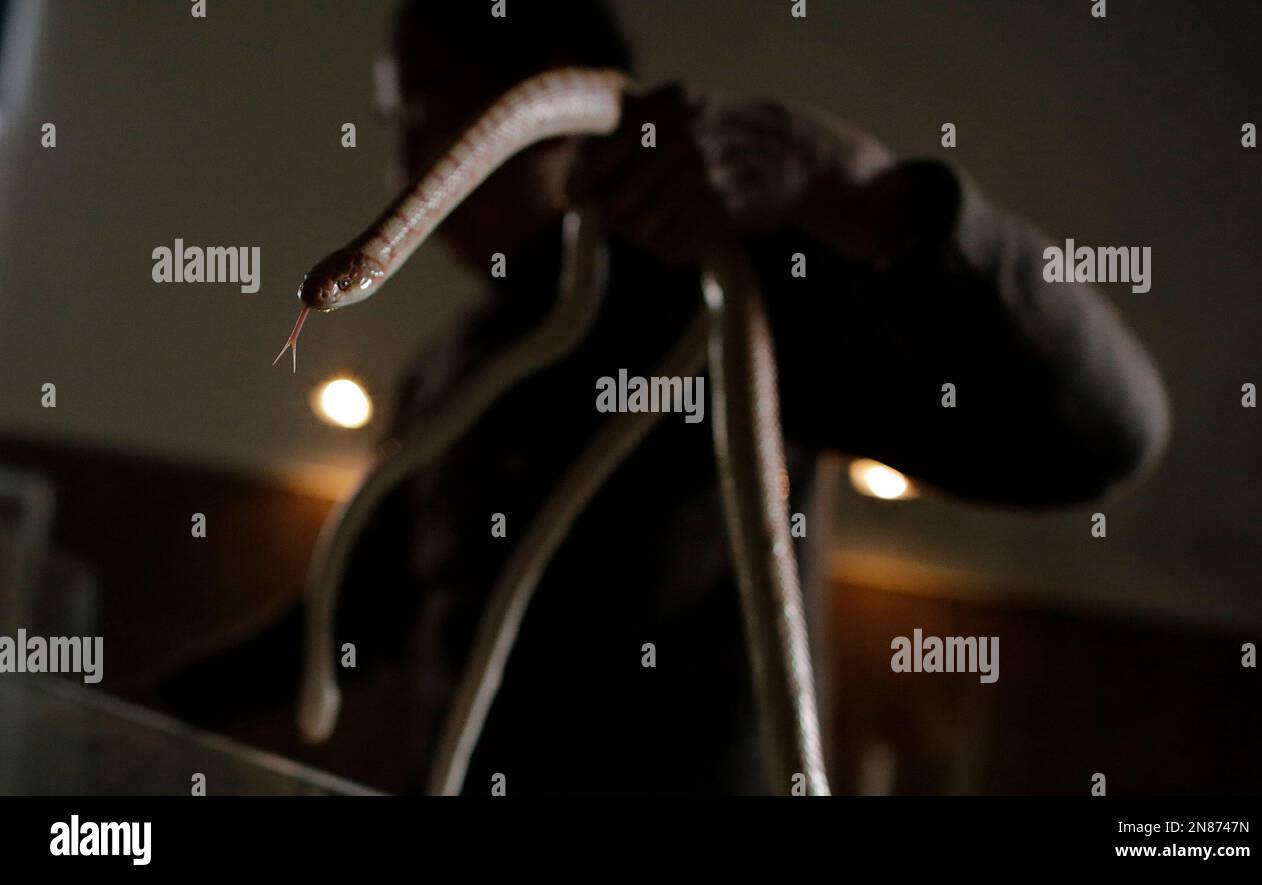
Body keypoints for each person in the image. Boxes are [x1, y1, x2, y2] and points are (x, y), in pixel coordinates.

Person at [170, 0, 1169, 795]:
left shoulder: (751, 311)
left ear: (529, 109)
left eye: (432, 117)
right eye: (399, 124)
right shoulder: (451, 367)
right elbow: (360, 611)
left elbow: (1099, 436)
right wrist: (126, 707)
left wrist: (864, 191)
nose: (405, 164)